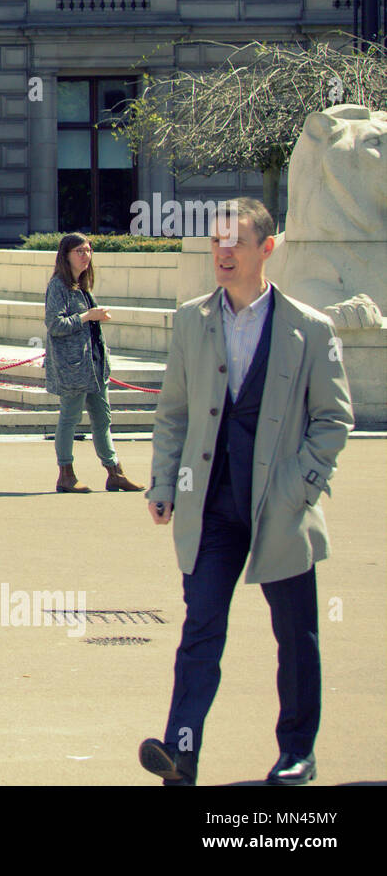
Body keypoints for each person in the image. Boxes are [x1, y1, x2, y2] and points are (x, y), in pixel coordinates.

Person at [139, 198, 353, 786]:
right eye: (215, 242)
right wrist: (163, 483)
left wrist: (300, 488)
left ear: (267, 248)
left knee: (295, 637)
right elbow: (174, 413)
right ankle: (181, 753)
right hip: (210, 507)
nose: (222, 252)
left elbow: (333, 420)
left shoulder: (310, 329)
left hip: (280, 510)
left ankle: (297, 754)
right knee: (200, 629)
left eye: (234, 241)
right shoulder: (192, 320)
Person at [43, 232, 143, 493]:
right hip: (73, 367)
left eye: (88, 250)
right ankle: (66, 474)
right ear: (66, 255)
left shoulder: (83, 285)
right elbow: (55, 324)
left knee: (103, 419)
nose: (86, 256)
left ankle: (115, 472)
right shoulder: (58, 286)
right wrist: (88, 316)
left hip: (95, 364)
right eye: (79, 251)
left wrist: (94, 316)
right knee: (70, 418)